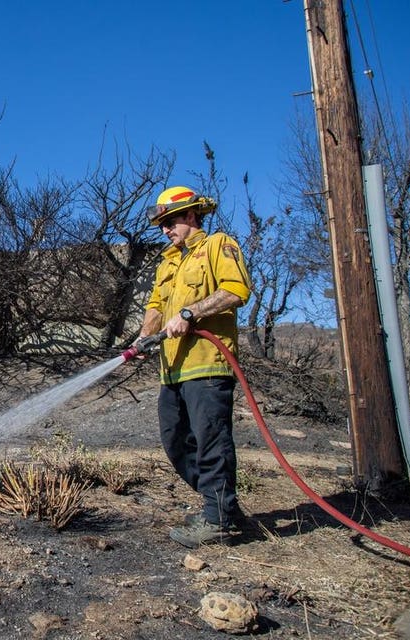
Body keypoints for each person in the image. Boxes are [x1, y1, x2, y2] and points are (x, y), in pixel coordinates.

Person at [135, 186, 252, 548]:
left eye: (170, 222)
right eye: (161, 225)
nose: (166, 230)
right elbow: (156, 307)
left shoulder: (217, 245)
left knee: (211, 443)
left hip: (206, 365)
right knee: (175, 442)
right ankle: (222, 508)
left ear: (190, 216)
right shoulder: (169, 261)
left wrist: (191, 313)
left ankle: (218, 520)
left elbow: (237, 290)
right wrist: (142, 338)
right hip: (172, 369)